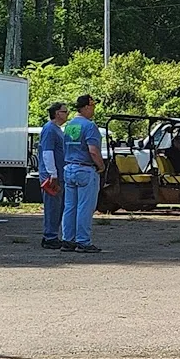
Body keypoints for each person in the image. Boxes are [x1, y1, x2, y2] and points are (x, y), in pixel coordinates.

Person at [60, 94, 104, 254]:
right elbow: (93, 150)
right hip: (85, 169)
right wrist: (101, 166)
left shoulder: (70, 125)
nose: (93, 110)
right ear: (86, 107)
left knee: (70, 207)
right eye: (92, 107)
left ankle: (68, 240)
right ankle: (83, 241)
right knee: (85, 207)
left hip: (69, 168)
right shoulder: (89, 126)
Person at [38, 101, 69, 249]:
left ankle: (53, 235)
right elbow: (47, 152)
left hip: (57, 175)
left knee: (58, 207)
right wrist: (52, 173)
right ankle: (49, 237)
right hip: (52, 177)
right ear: (57, 113)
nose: (67, 114)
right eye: (65, 111)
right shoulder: (50, 129)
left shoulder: (56, 129)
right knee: (52, 207)